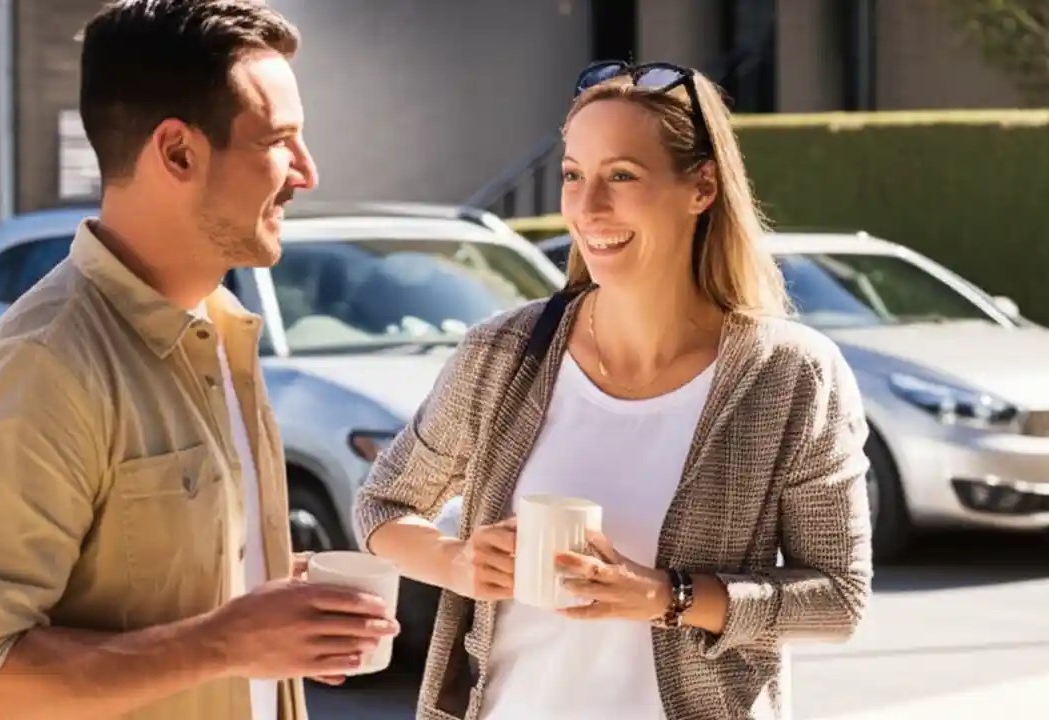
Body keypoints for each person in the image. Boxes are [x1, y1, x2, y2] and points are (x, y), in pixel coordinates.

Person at [0, 2, 398, 719]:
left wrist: (270, 591)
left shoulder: (223, 329)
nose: (306, 172)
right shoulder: (44, 367)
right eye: (280, 141)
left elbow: (166, 589)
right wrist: (225, 642)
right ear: (177, 153)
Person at [353, 60, 872, 720]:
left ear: (702, 187)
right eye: (574, 175)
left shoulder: (791, 376)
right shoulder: (504, 353)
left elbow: (837, 599)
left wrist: (667, 596)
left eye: (621, 175)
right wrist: (454, 563)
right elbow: (382, 506)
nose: (587, 207)